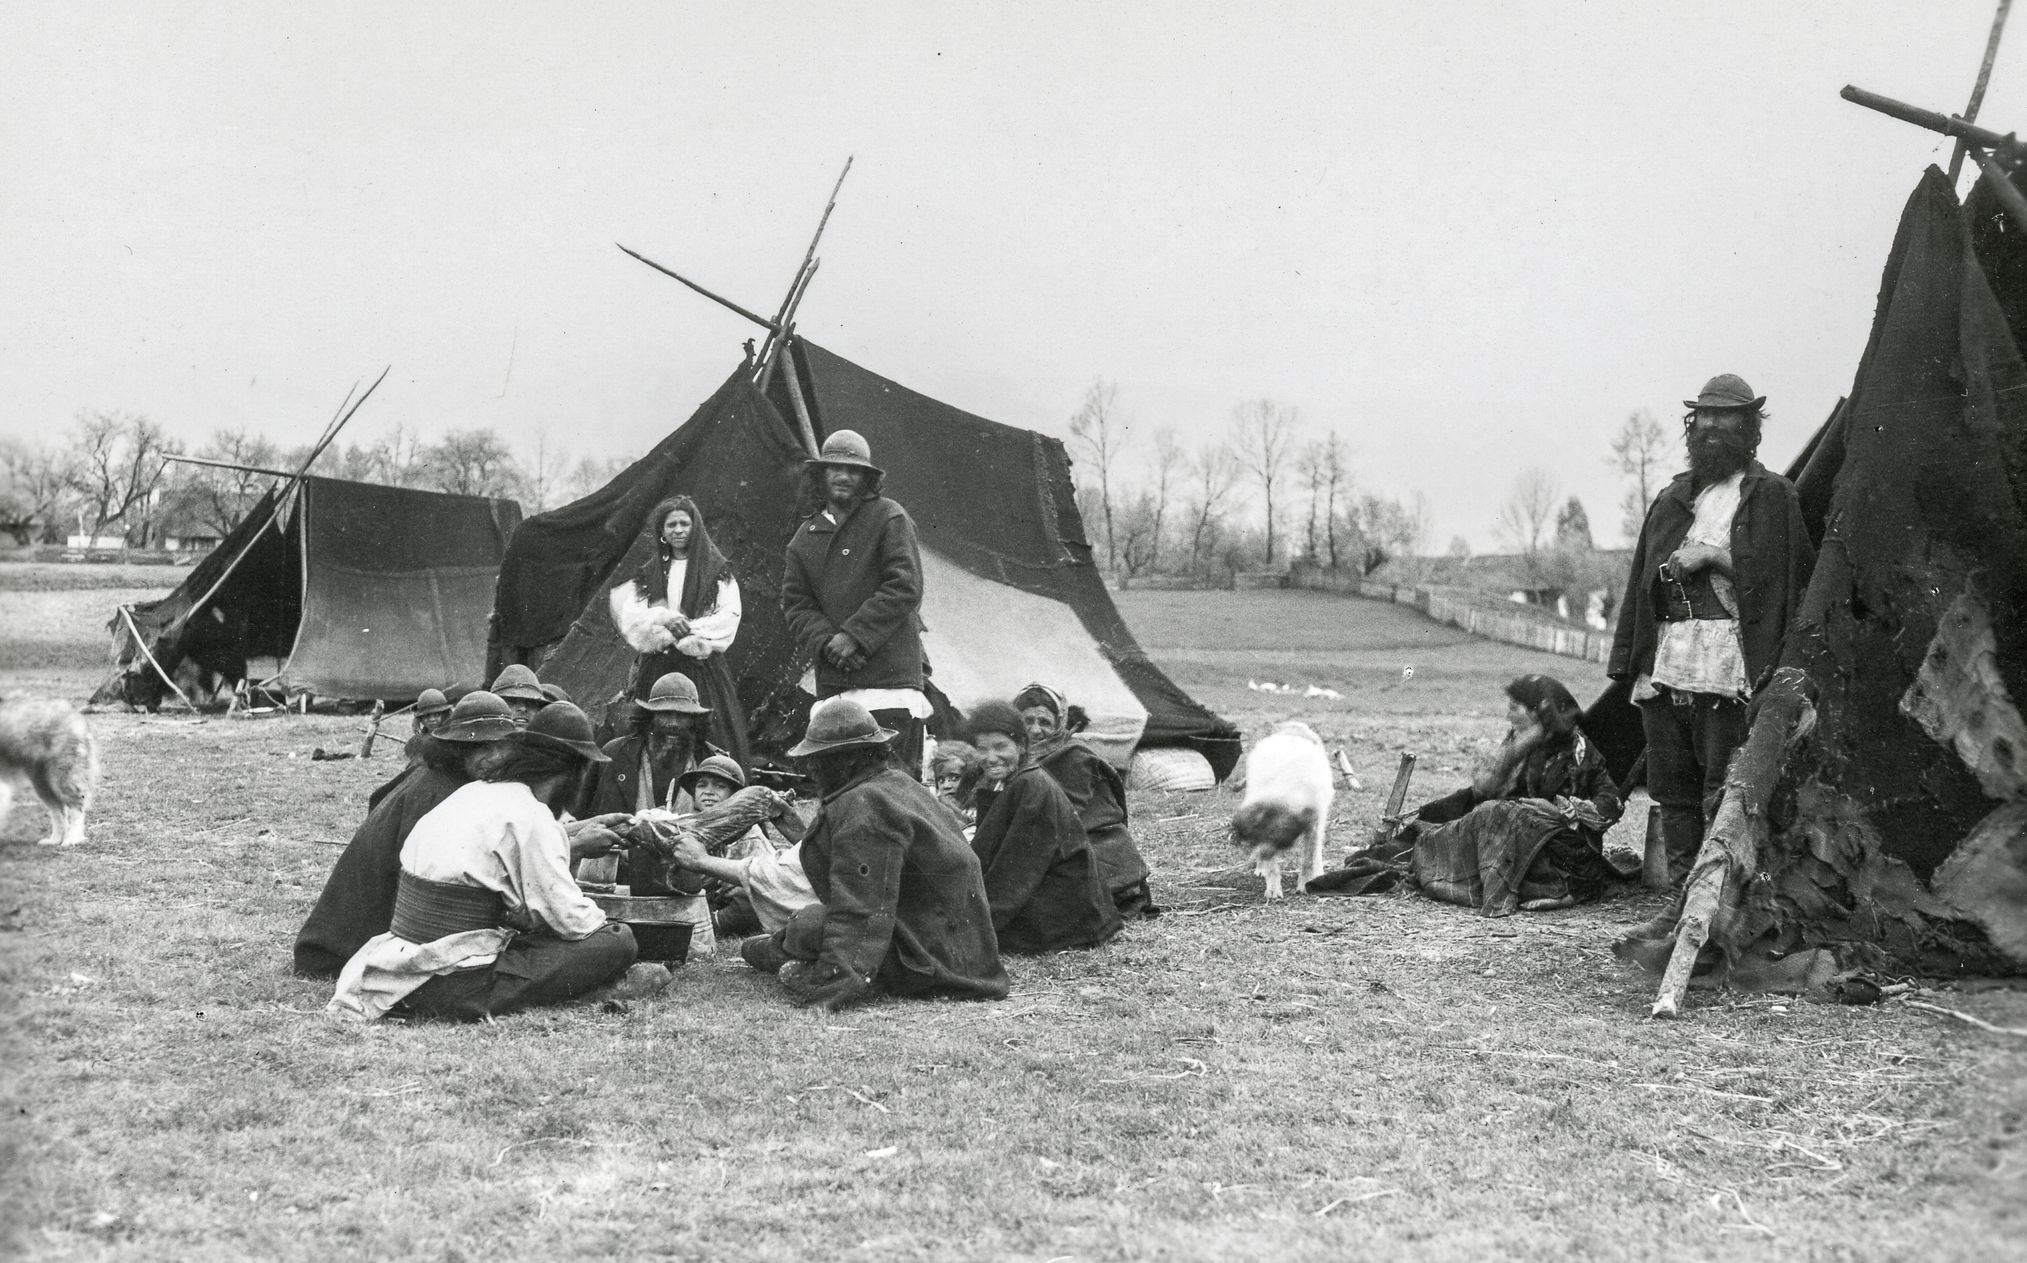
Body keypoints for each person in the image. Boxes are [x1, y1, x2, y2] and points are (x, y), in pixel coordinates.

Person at [1609, 374, 1814, 885]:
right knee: (1672, 789)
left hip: (1728, 665)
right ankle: (1679, 895)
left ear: (1750, 429)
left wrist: (1715, 558)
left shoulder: (1773, 498)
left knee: (1720, 788)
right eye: (1706, 418)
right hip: (1667, 663)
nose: (1715, 429)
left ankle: (1715, 898)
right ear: (1692, 426)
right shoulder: (1672, 499)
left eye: (1729, 419)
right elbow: (1640, 584)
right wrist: (1630, 660)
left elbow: (1786, 584)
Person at [328, 702, 645, 1022]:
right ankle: (579, 989)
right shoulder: (531, 816)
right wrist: (610, 924)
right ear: (576, 771)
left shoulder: (475, 793)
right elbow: (574, 922)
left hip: (398, 962)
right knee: (617, 942)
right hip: (449, 978)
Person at [739, 698, 1006, 1010]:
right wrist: (797, 829)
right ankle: (775, 949)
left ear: (846, 761)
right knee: (805, 925)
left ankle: (777, 952)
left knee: (809, 923)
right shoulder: (897, 785)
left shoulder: (863, 806)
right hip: (964, 953)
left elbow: (860, 909)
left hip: (931, 962)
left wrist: (831, 985)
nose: (811, 768)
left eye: (818, 760)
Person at [1315, 675, 1624, 913]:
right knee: (1445, 814)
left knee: (1493, 814)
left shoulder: (1581, 752)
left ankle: (1552, 890)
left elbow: (1610, 802)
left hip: (1562, 855)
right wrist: (1518, 748)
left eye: (1514, 709)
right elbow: (1485, 789)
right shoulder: (1521, 744)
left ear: (1539, 711)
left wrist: (1568, 809)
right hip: (1513, 839)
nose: (1508, 716)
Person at [295, 691, 521, 976]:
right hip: (343, 948)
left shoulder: (438, 775)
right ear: (458, 747)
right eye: (481, 747)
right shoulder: (440, 791)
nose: (493, 758)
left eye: (501, 747)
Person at [780, 430, 931, 774]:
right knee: (842, 784)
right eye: (835, 468)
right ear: (821, 475)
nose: (844, 476)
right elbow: (796, 603)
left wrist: (855, 636)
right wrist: (828, 642)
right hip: (837, 681)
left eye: (853, 470)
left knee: (896, 784)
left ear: (866, 478)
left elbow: (905, 586)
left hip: (890, 679)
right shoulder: (804, 539)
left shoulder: (889, 518)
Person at [965, 700, 1123, 953]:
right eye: (982, 749)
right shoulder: (1010, 780)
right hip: (1053, 901)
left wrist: (977, 927)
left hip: (1065, 915)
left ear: (1022, 745)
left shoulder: (1031, 785)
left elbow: (1017, 872)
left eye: (1000, 747)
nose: (990, 757)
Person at [609, 495, 749, 768]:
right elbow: (632, 620)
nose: (678, 530)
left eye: (684, 523)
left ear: (695, 527)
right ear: (661, 531)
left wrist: (684, 631)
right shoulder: (649, 574)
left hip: (701, 671)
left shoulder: (718, 572)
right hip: (657, 671)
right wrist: (663, 618)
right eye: (670, 524)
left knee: (710, 742)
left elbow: (727, 619)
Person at [1014, 683, 1159, 918]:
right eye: (1027, 721)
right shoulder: (1017, 756)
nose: (1035, 730)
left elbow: (1063, 817)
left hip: (1096, 851)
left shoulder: (1073, 756)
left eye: (1045, 723)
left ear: (1060, 723)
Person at [579, 673, 713, 818]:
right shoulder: (614, 754)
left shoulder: (710, 760)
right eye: (665, 714)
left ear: (695, 721)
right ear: (650, 717)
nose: (673, 723)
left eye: (682, 715)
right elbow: (581, 814)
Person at [929, 739, 982, 828]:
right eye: (941, 779)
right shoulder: (934, 809)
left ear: (971, 778)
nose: (946, 786)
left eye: (954, 778)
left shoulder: (979, 812)